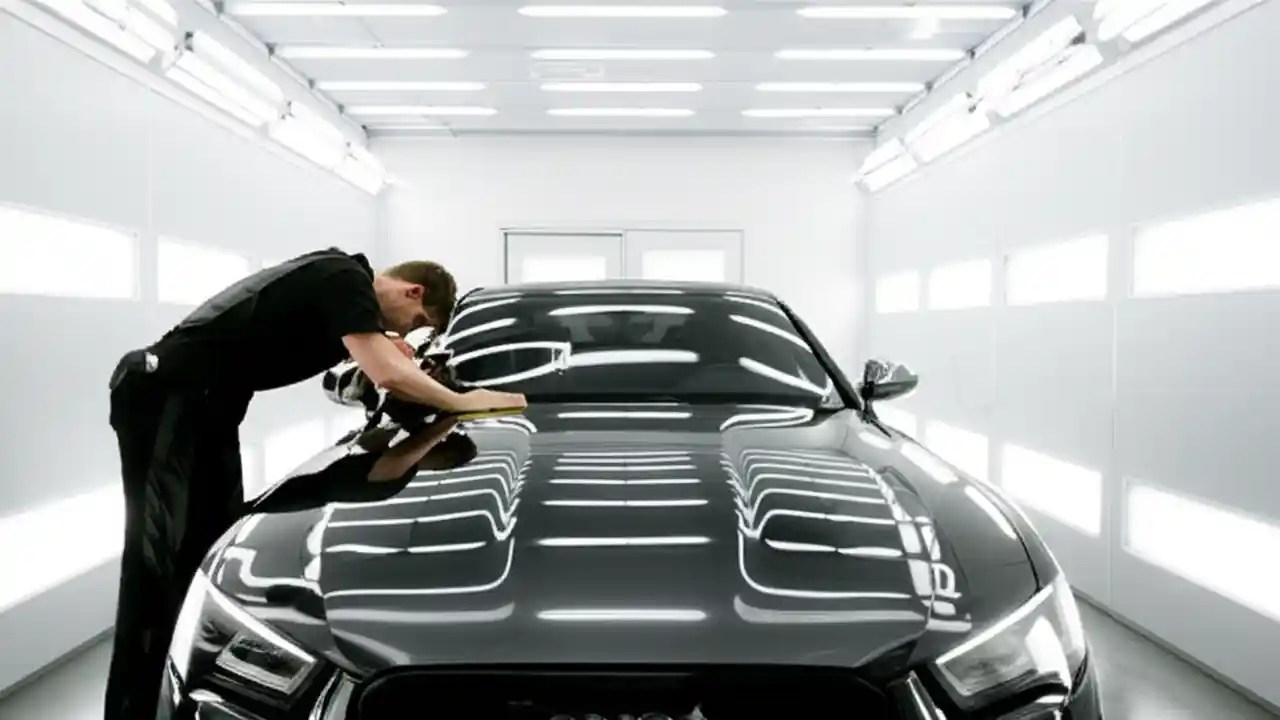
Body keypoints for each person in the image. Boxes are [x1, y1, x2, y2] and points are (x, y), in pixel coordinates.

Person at [103, 247, 525, 719]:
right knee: (160, 561)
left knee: (206, 543)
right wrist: (464, 401)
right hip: (168, 395)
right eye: (417, 321)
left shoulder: (342, 298)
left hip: (206, 408)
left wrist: (395, 352)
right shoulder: (344, 277)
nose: (409, 331)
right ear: (413, 291)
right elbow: (388, 375)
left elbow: (376, 370)